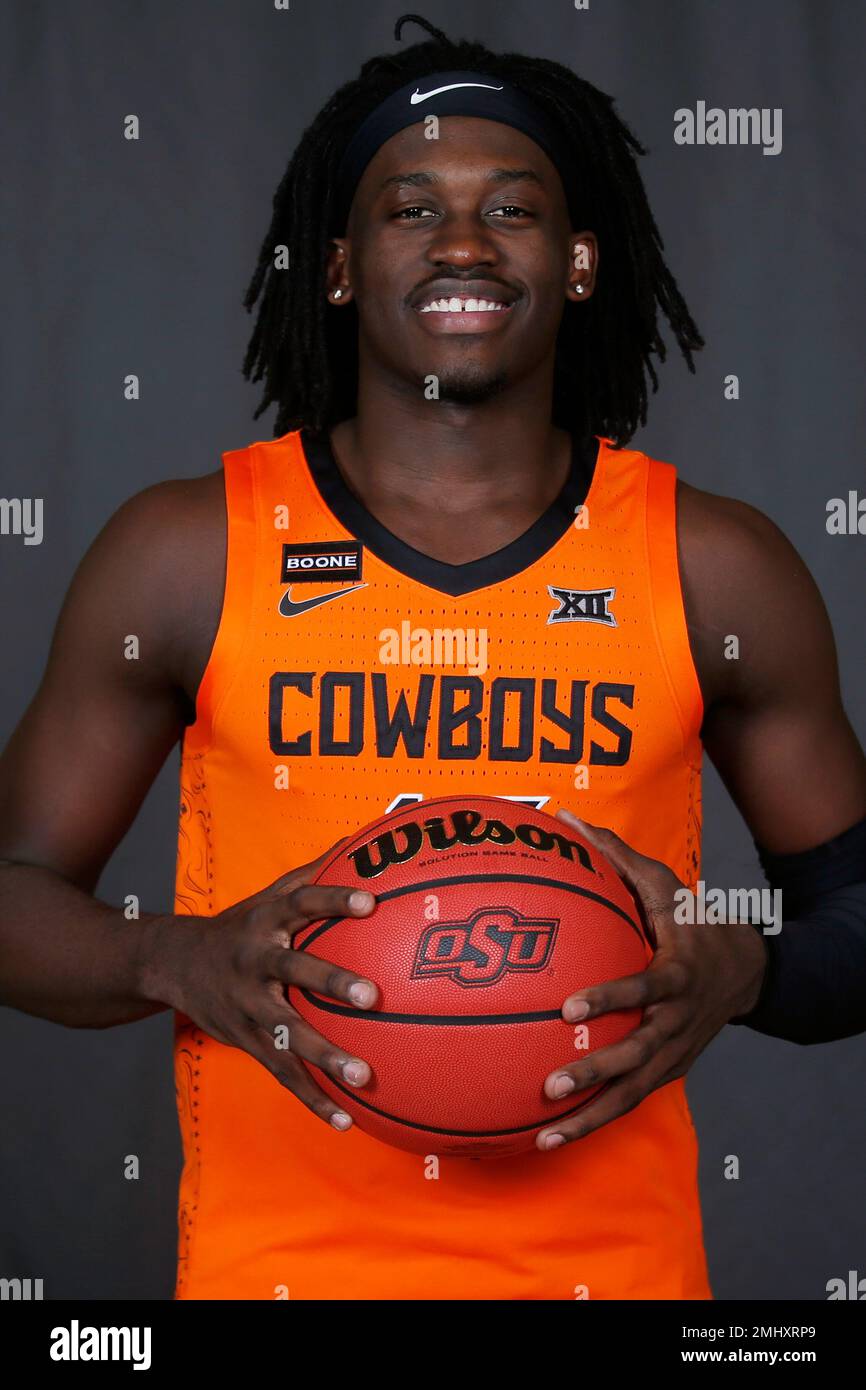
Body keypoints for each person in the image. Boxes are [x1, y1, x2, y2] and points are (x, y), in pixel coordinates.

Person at [1, 13, 864, 1301]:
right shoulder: (190, 552)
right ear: (340, 266)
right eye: (412, 209)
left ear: (578, 263)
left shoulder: (710, 564)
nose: (464, 242)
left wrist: (748, 968)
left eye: (512, 210)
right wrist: (169, 958)